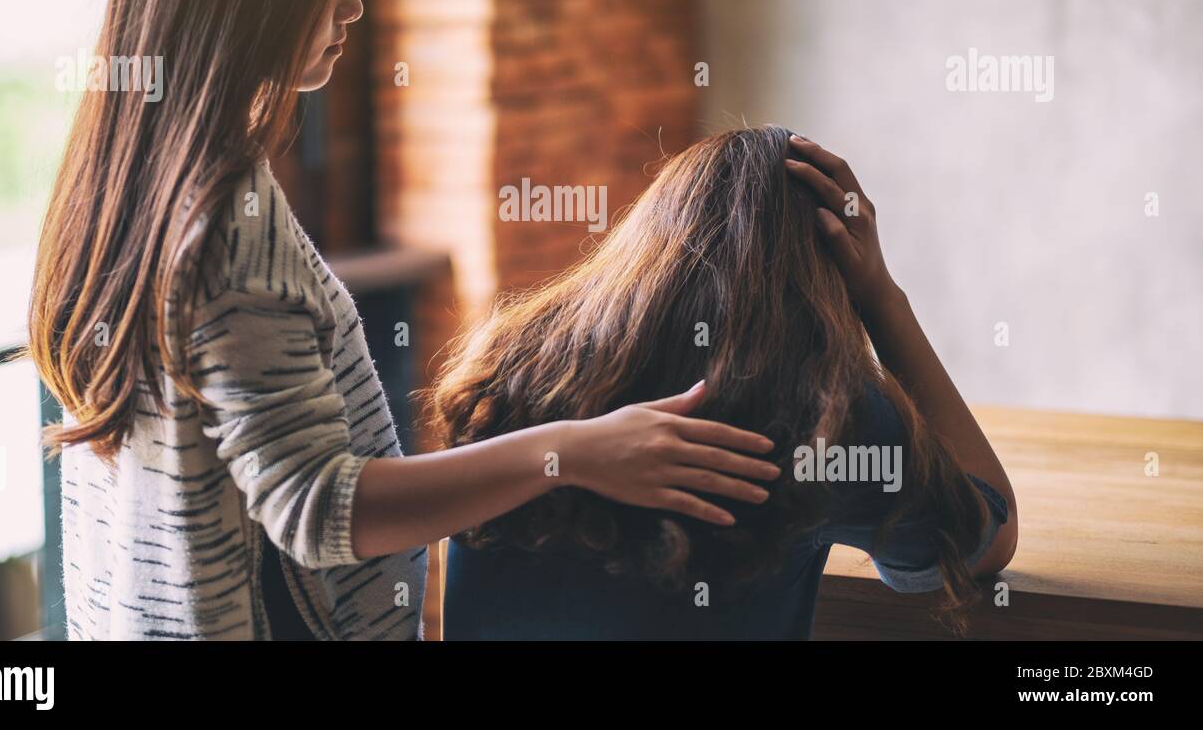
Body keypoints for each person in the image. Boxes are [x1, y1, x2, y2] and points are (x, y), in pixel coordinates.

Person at [26, 0, 780, 640]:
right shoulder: (223, 219)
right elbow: (320, 509)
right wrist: (574, 451)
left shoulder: (115, 181)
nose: (350, 5)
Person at [432, 125, 1018, 639]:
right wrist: (881, 298)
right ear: (826, 265)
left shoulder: (511, 364)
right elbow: (984, 538)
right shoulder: (821, 413)